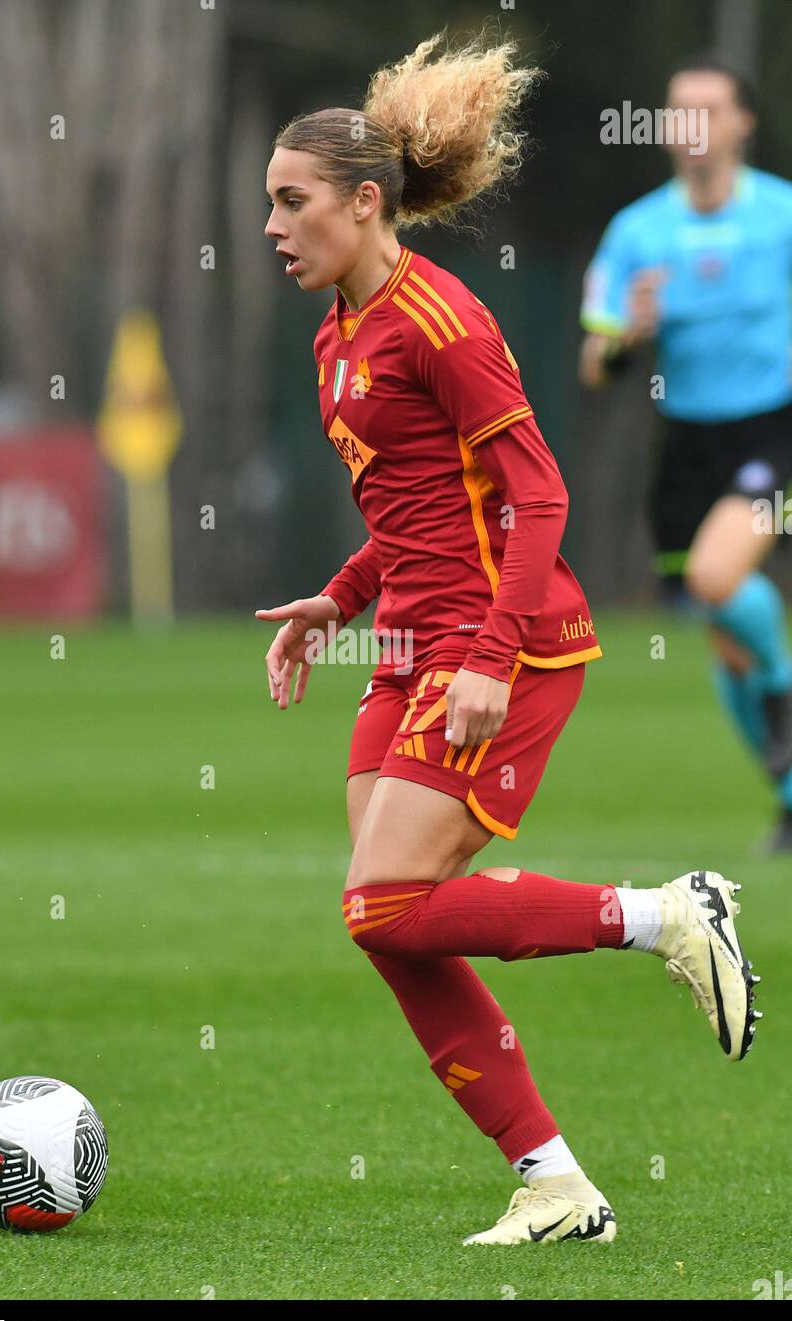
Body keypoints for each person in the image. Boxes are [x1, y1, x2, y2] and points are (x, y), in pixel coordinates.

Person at [257, 29, 758, 1247]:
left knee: (382, 908)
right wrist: (340, 595)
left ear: (364, 202)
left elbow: (538, 499)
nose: (272, 225)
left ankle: (666, 916)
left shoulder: (442, 321)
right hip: (405, 646)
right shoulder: (335, 331)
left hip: (507, 645)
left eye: (291, 201)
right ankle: (554, 1183)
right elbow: (418, 508)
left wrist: (486, 656)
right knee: (389, 924)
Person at [580, 52, 792, 852]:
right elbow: (594, 365)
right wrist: (629, 335)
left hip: (777, 431)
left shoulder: (783, 215)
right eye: (677, 111)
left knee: (716, 576)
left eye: (709, 109)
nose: (691, 127)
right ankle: (791, 795)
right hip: (688, 447)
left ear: (742, 124)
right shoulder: (638, 232)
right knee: (731, 647)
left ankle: (786, 704)